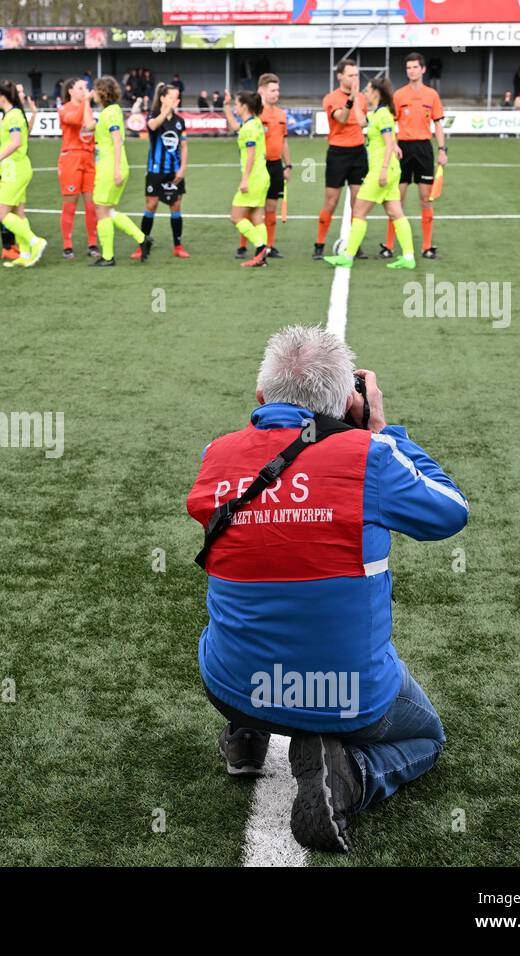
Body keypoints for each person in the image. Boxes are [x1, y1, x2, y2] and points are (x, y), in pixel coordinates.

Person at [187, 325, 468, 853]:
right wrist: (382, 431)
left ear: (260, 397)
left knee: (245, 605)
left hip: (233, 685)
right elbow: (450, 512)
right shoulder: (371, 457)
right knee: (425, 736)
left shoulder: (216, 455)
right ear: (349, 402)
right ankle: (352, 775)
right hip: (346, 695)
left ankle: (246, 734)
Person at [323, 76, 415, 271]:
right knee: (395, 212)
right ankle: (408, 257)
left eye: (367, 89)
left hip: (382, 171)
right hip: (389, 170)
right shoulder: (378, 114)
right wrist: (355, 96)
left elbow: (389, 142)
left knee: (358, 211)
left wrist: (382, 170)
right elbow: (362, 122)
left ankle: (347, 256)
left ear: (376, 92)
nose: (365, 91)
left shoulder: (382, 115)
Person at [383, 52, 446, 261]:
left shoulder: (432, 95)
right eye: (408, 68)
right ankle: (389, 246)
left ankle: (427, 246)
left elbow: (437, 123)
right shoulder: (399, 95)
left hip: (424, 150)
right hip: (403, 150)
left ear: (423, 69)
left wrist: (442, 150)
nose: (412, 71)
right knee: (396, 199)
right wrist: (392, 146)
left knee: (425, 199)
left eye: (415, 67)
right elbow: (390, 124)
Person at [0, 81, 47, 268]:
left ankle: (35, 242)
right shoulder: (12, 114)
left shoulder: (15, 116)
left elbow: (16, 142)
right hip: (15, 169)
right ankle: (26, 254)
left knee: (0, 213)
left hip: (14, 171)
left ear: (3, 96)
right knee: (18, 214)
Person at [88, 75, 150, 267]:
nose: (93, 92)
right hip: (108, 164)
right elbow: (88, 126)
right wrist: (85, 103)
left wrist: (116, 170)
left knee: (101, 208)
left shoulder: (111, 112)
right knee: (108, 210)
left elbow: (117, 140)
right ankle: (142, 239)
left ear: (102, 92)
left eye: (95, 89)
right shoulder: (109, 111)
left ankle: (108, 257)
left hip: (110, 165)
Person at [313, 59, 367, 261]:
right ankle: (319, 244)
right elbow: (342, 119)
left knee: (358, 202)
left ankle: (355, 245)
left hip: (359, 153)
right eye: (350, 75)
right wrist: (351, 99)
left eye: (356, 75)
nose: (354, 78)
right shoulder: (331, 98)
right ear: (340, 76)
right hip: (338, 153)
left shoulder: (362, 98)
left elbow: (362, 123)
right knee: (331, 201)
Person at [233, 72, 290, 260]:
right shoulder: (256, 119)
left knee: (249, 213)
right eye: (272, 90)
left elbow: (281, 142)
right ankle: (254, 251)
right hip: (262, 169)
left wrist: (287, 165)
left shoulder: (260, 122)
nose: (276, 93)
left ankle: (264, 246)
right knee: (255, 213)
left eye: (278, 89)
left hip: (263, 171)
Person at [138, 82, 189, 259]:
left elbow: (184, 147)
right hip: (155, 170)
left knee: (175, 205)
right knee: (151, 205)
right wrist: (165, 112)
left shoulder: (180, 121)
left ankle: (178, 245)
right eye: (171, 97)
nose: (175, 100)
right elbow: (152, 126)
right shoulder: (153, 115)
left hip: (174, 171)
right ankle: (141, 244)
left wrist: (182, 169)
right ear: (162, 98)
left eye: (177, 97)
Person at [226, 91, 271, 268]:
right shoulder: (254, 123)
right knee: (256, 217)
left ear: (244, 106)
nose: (235, 107)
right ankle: (262, 258)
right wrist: (226, 107)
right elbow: (236, 128)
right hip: (262, 176)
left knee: (236, 217)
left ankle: (260, 249)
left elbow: (251, 154)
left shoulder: (250, 128)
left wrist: (245, 179)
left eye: (236, 104)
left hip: (254, 177)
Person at [57, 77, 99, 259]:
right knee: (70, 204)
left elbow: (90, 126)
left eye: (86, 88)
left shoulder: (87, 107)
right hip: (71, 158)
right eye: (80, 88)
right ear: (70, 91)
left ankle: (92, 243)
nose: (85, 91)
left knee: (91, 205)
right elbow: (75, 120)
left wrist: (87, 105)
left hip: (88, 158)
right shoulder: (65, 109)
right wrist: (87, 102)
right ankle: (67, 245)